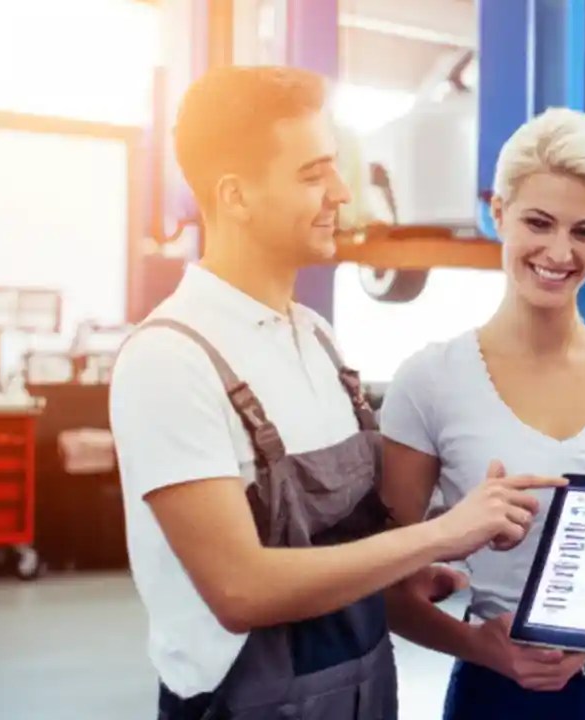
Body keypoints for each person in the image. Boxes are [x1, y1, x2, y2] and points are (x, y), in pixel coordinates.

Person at [109, 65, 562, 720]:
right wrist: (436, 537)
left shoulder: (317, 341)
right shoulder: (170, 360)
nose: (343, 192)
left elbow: (342, 549)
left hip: (364, 697)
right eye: (312, 173)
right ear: (235, 196)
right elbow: (240, 589)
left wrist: (419, 570)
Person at [378, 107, 585, 720]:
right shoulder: (430, 380)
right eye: (539, 222)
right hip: (501, 696)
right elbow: (384, 586)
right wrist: (479, 648)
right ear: (498, 211)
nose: (559, 252)